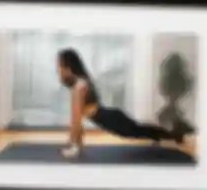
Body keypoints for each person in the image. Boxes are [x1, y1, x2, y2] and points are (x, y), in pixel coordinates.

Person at [56, 48, 194, 159]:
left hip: (110, 118)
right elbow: (77, 121)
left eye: (60, 66)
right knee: (139, 129)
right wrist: (75, 145)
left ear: (68, 67)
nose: (58, 70)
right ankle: (171, 135)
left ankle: (174, 135)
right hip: (109, 116)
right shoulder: (79, 84)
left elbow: (76, 120)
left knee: (137, 131)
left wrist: (74, 146)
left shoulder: (79, 86)